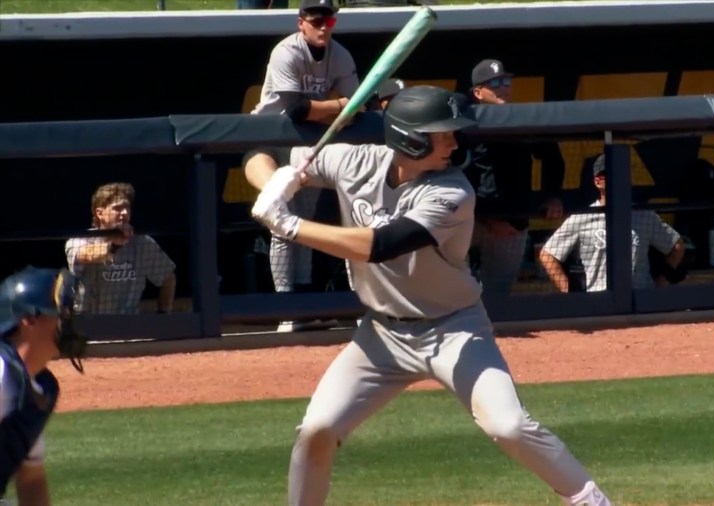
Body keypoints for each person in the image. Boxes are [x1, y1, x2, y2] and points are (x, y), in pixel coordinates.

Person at [243, 85, 613, 506]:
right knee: (316, 431)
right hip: (381, 337)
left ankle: (590, 500)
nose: (455, 142)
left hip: (454, 329)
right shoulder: (355, 160)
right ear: (410, 139)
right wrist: (271, 183)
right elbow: (256, 149)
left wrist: (289, 225)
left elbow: (379, 244)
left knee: (509, 426)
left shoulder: (453, 192)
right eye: (444, 134)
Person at [251, 0, 360, 331]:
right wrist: (340, 104)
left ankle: (303, 302)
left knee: (303, 223)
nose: (324, 26)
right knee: (281, 223)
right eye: (316, 21)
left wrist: (339, 107)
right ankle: (287, 308)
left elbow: (360, 106)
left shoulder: (340, 54)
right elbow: (297, 109)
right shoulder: (286, 52)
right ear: (302, 23)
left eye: (329, 20)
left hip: (308, 144)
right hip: (269, 139)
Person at [465, 58, 566, 294]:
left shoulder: (522, 119)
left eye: (506, 81)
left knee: (497, 293)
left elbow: (553, 158)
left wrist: (552, 196)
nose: (504, 87)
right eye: (496, 82)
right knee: (452, 287)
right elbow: (456, 174)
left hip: (512, 224)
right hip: (470, 222)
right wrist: (486, 217)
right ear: (478, 92)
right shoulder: (465, 124)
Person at [1, 267, 88, 504]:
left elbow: (31, 479)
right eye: (60, 313)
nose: (68, 321)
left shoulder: (35, 389)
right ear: (29, 318)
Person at [539, 154, 686, 292]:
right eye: (613, 174)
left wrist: (661, 283)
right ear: (598, 182)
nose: (620, 178)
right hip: (598, 301)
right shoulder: (582, 217)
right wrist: (568, 291)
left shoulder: (643, 214)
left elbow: (677, 246)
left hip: (640, 298)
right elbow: (547, 255)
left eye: (623, 173)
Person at [64, 183, 176, 315]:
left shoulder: (142, 242)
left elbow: (168, 278)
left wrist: (163, 316)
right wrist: (114, 245)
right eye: (117, 208)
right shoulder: (79, 240)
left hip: (128, 326)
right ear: (99, 213)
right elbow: (86, 255)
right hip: (89, 325)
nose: (124, 213)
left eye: (127, 207)